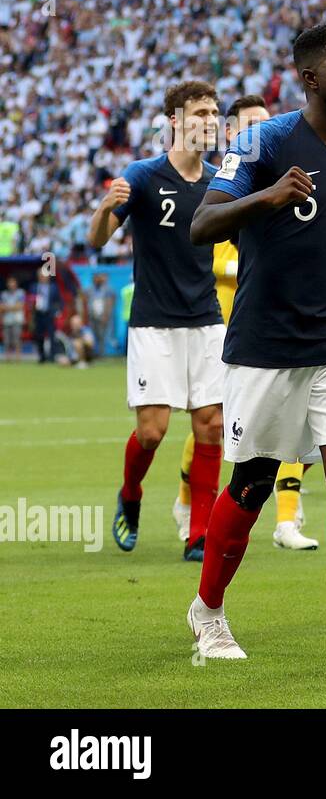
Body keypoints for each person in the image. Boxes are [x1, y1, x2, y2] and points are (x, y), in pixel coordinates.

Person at [185, 23, 326, 677]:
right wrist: (269, 196)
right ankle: (208, 610)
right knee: (254, 483)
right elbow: (204, 224)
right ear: (309, 78)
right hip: (264, 345)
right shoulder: (263, 141)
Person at [170, 95, 320, 553]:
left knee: (301, 419)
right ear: (234, 134)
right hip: (228, 323)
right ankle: (187, 500)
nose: (262, 132)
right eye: (251, 125)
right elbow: (210, 256)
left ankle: (287, 519)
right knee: (215, 424)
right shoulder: (224, 189)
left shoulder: (288, 184)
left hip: (283, 321)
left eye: (266, 124)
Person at [87, 80, 226, 562]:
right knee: (153, 431)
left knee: (211, 425)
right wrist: (106, 207)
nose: (209, 121)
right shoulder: (143, 176)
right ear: (175, 120)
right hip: (153, 321)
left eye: (213, 114)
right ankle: (131, 493)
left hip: (206, 319)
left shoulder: (220, 180)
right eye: (199, 113)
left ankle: (199, 533)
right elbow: (98, 240)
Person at [31, 266, 61, 364]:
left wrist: (57, 311)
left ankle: (52, 357)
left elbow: (58, 301)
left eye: (44, 276)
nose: (43, 277)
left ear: (48, 277)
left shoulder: (53, 287)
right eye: (41, 276)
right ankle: (42, 356)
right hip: (38, 314)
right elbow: (29, 300)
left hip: (49, 315)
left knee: (52, 336)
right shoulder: (34, 287)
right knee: (39, 336)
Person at [86, 273, 116, 358]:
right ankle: (93, 353)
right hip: (92, 316)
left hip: (102, 316)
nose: (96, 281)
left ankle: (101, 354)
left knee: (101, 336)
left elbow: (111, 301)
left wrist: (106, 315)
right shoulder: (89, 289)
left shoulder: (106, 290)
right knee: (92, 335)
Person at [2, 276, 25, 361]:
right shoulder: (4, 294)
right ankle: (7, 358)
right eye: (10, 282)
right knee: (7, 340)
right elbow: (1, 307)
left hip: (17, 320)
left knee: (17, 339)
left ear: (16, 283)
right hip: (7, 320)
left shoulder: (21, 293)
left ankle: (18, 357)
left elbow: (20, 306)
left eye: (13, 282)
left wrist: (7, 307)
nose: (11, 284)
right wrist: (13, 307)